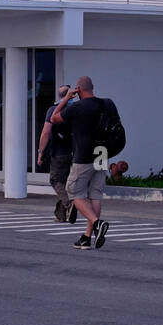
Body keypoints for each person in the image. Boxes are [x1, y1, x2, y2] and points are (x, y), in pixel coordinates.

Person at [50, 75, 113, 249]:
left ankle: (97, 223)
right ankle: (87, 237)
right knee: (95, 195)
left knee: (73, 191)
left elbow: (54, 118)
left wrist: (66, 98)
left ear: (78, 90)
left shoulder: (76, 107)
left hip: (84, 155)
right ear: (92, 87)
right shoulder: (107, 103)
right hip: (102, 154)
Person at [37, 85, 77, 224]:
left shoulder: (54, 110)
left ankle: (69, 204)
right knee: (64, 183)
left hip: (59, 152)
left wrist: (40, 152)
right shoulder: (76, 109)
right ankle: (60, 215)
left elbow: (46, 132)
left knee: (55, 180)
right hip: (76, 152)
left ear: (59, 95)